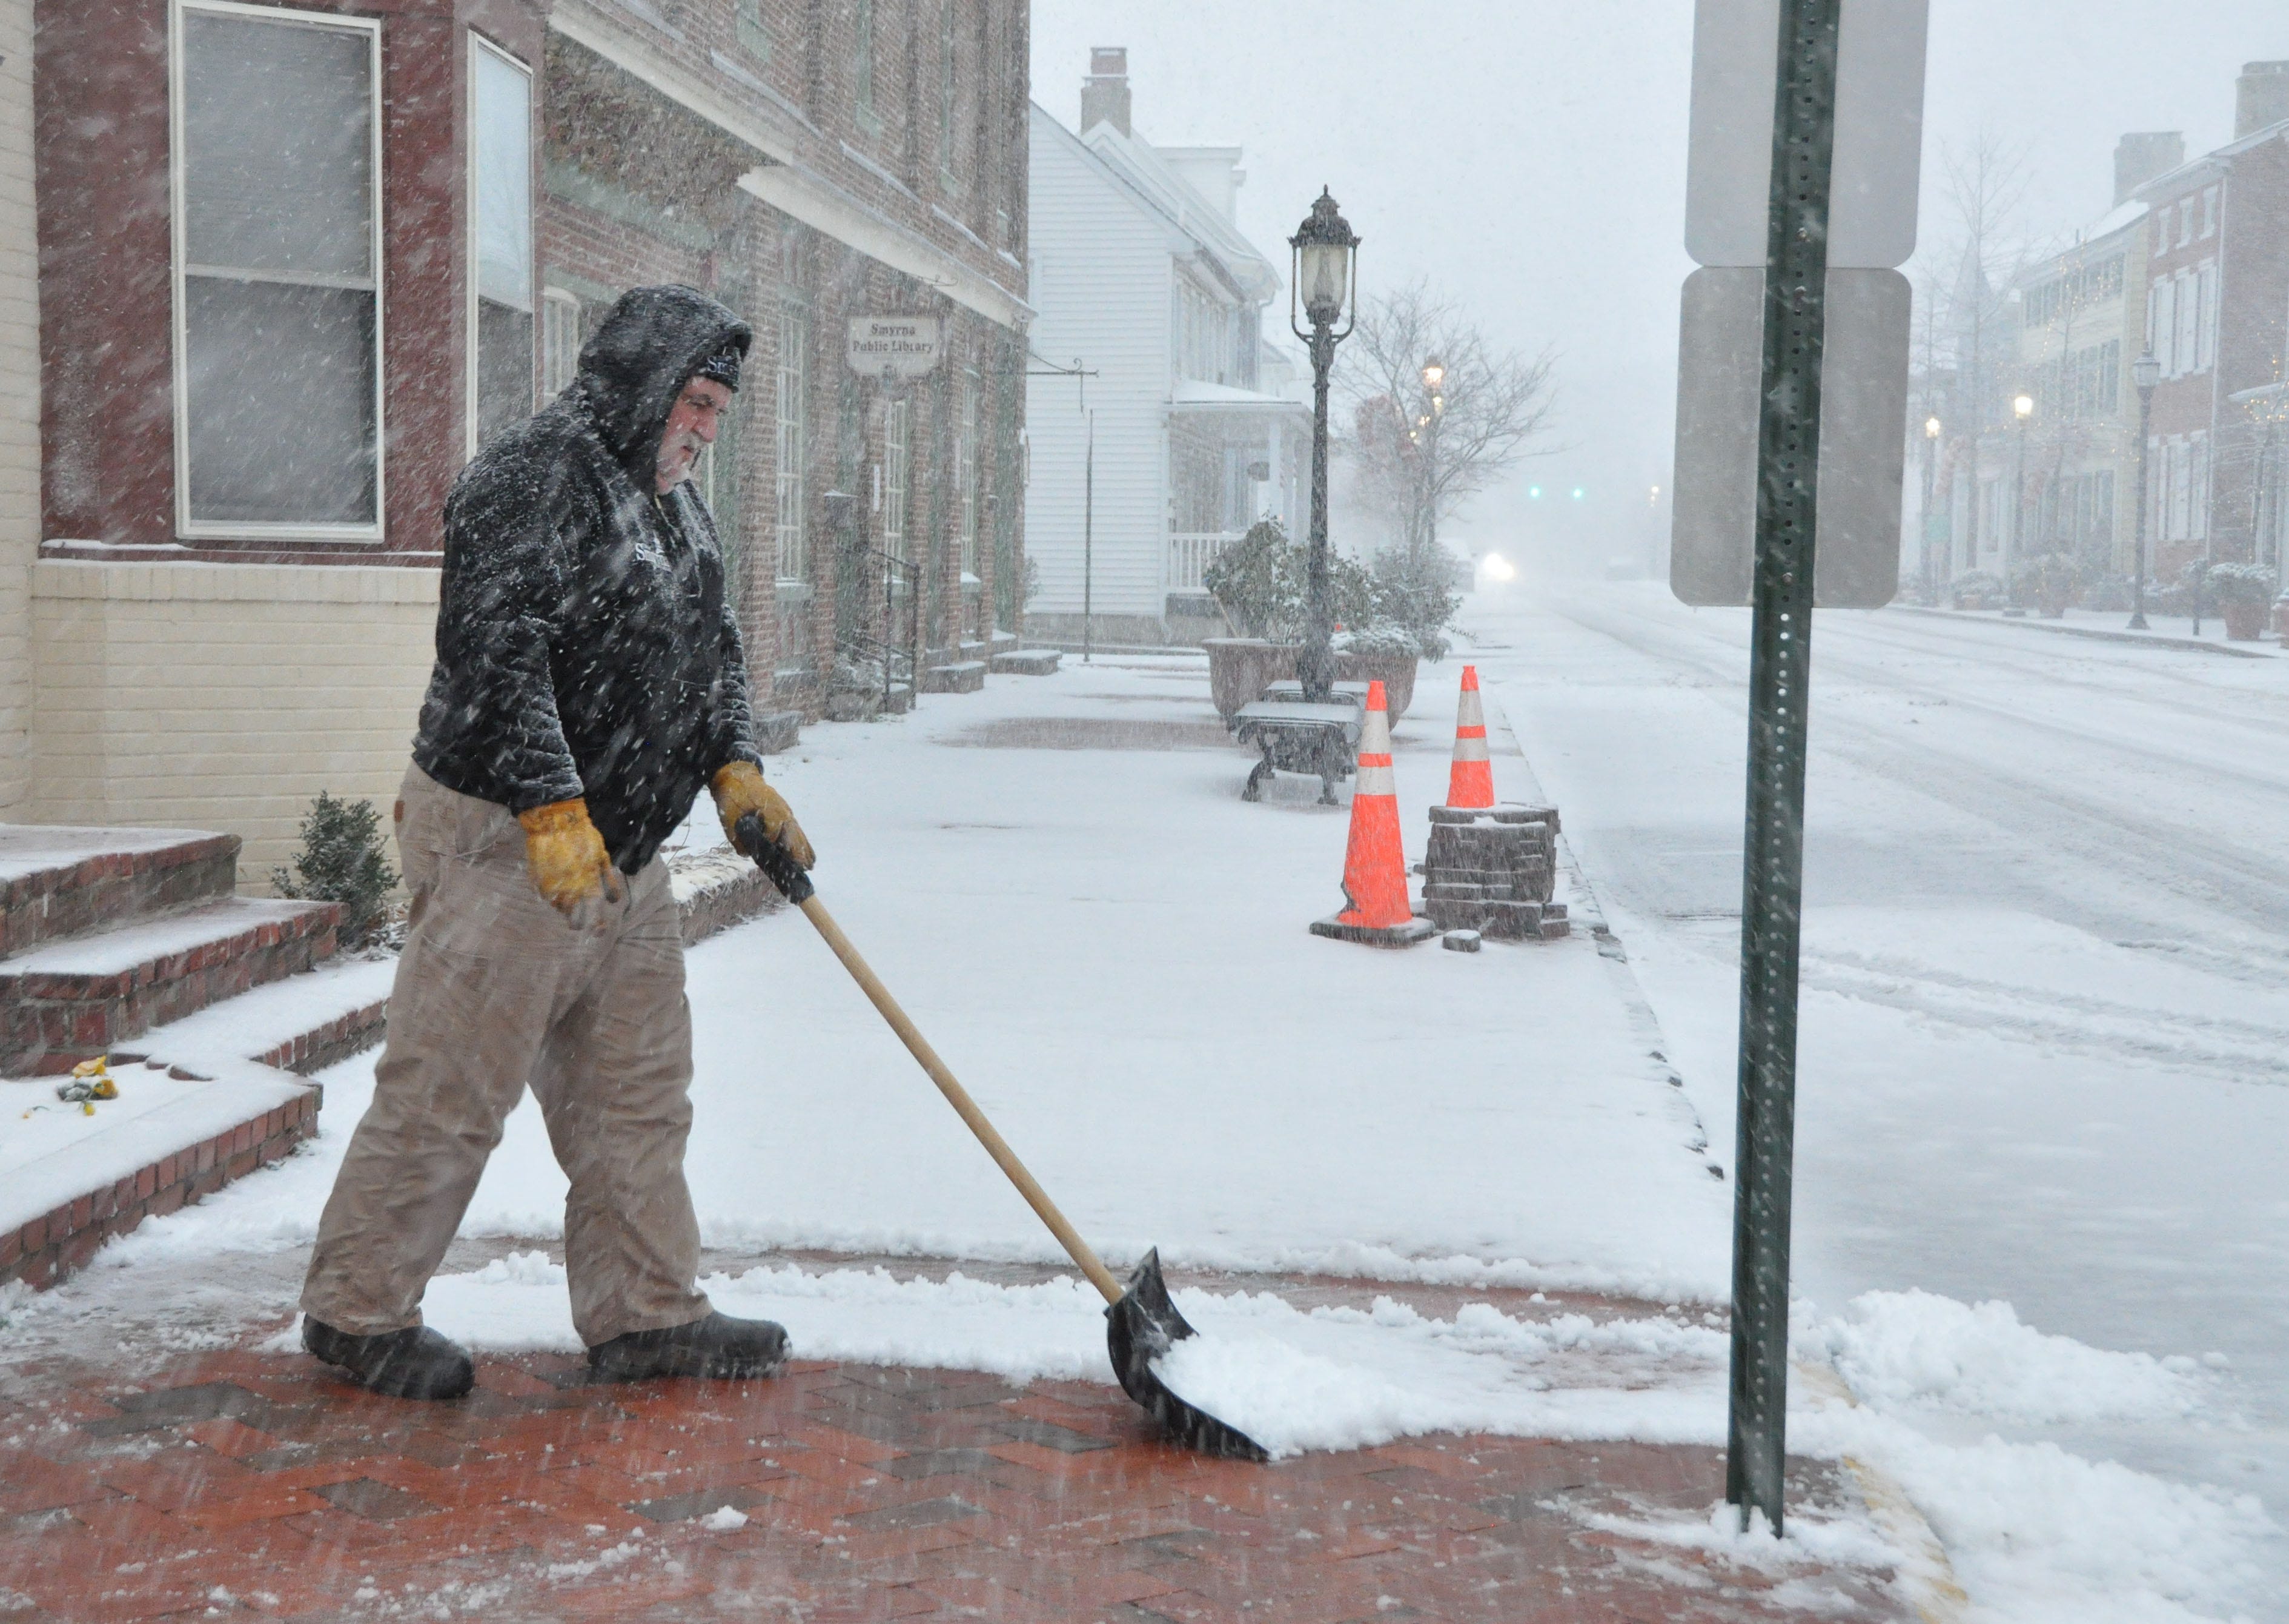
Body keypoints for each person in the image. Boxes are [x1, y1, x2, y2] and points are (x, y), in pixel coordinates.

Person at [297, 285, 813, 1401]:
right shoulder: (530, 478)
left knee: (637, 1091)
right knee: (451, 1084)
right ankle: (358, 1309)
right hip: (504, 837)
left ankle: (645, 1311)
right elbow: (498, 654)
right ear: (644, 386)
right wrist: (548, 806)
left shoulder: (672, 505)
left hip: (622, 851)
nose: (707, 433)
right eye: (698, 404)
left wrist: (735, 764)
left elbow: (711, 641)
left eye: (719, 412)